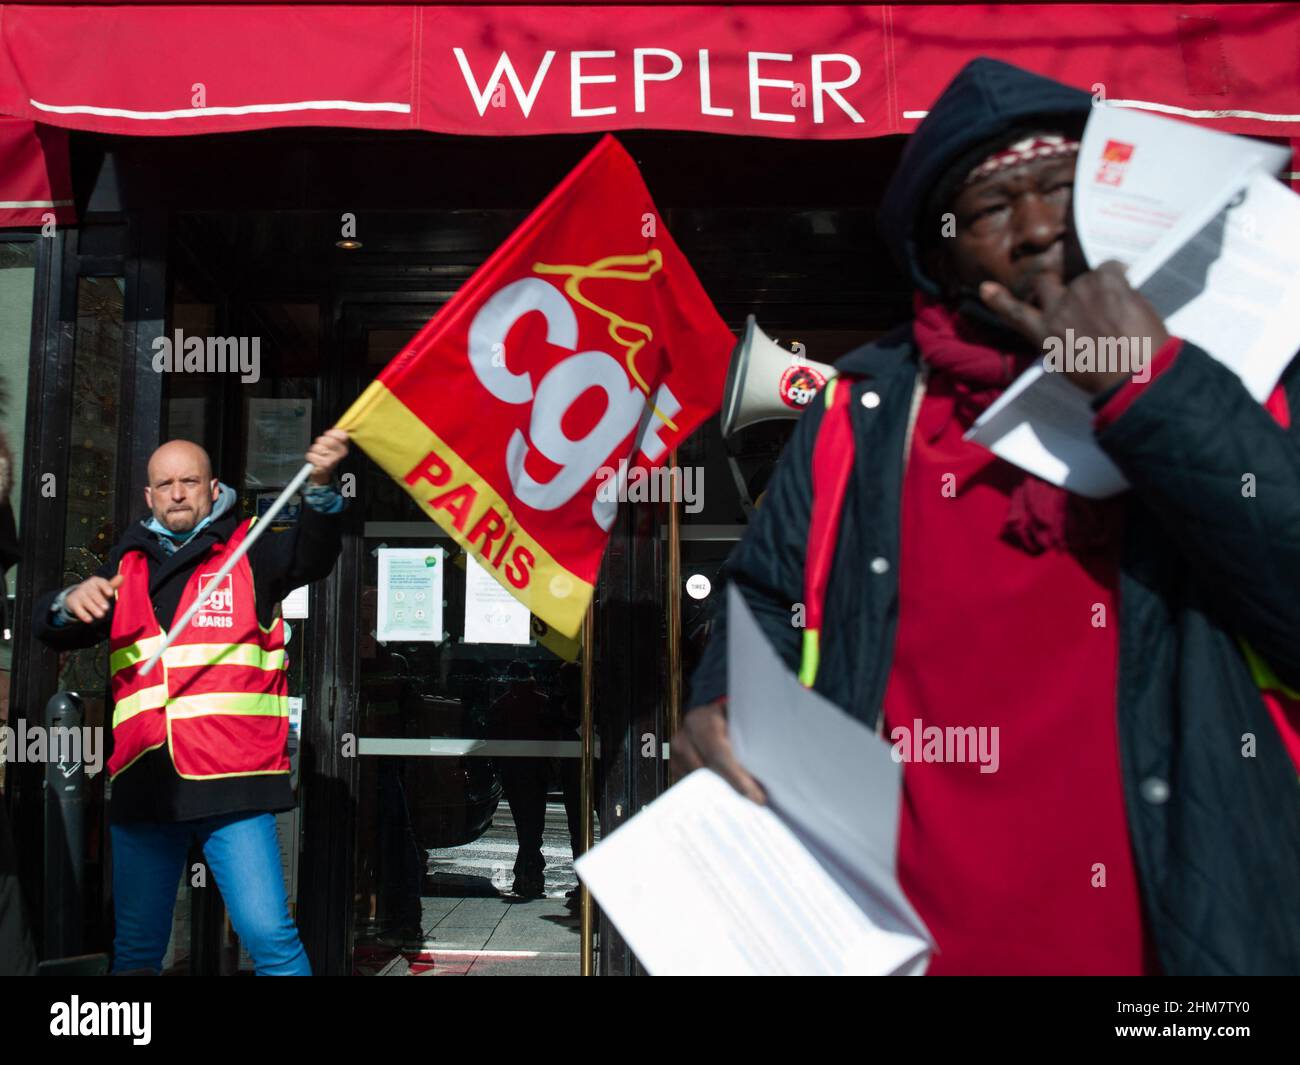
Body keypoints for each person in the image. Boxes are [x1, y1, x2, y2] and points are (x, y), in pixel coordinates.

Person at [672, 57, 1300, 975]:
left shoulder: (1241, 368)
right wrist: (720, 694)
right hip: (909, 943)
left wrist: (1147, 387)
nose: (1040, 228)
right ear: (939, 254)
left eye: (1060, 188)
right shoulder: (865, 407)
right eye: (993, 209)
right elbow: (770, 593)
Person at [34, 430, 350, 974]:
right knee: (136, 949)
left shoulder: (251, 551)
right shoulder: (122, 570)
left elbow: (313, 553)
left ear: (213, 488)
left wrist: (319, 487)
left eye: (189, 481)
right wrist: (64, 603)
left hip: (234, 785)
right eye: (165, 484)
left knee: (270, 938)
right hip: (146, 783)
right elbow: (54, 630)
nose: (177, 492)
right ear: (149, 497)